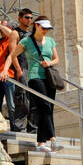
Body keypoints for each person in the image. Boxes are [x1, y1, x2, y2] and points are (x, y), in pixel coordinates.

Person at [13, 15, 58, 153]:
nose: (45, 31)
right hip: (34, 77)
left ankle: (41, 142)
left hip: (49, 78)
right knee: (44, 105)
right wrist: (18, 70)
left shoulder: (50, 41)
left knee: (48, 108)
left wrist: (49, 62)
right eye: (43, 28)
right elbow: (13, 55)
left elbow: (56, 58)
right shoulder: (26, 41)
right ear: (37, 26)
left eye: (47, 29)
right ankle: (52, 137)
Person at [10, 8, 36, 133]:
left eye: (31, 17)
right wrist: (18, 70)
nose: (29, 20)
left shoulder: (32, 35)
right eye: (26, 17)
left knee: (34, 99)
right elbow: (12, 53)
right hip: (22, 68)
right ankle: (20, 128)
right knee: (22, 99)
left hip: (33, 70)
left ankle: (33, 129)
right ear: (20, 18)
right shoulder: (15, 33)